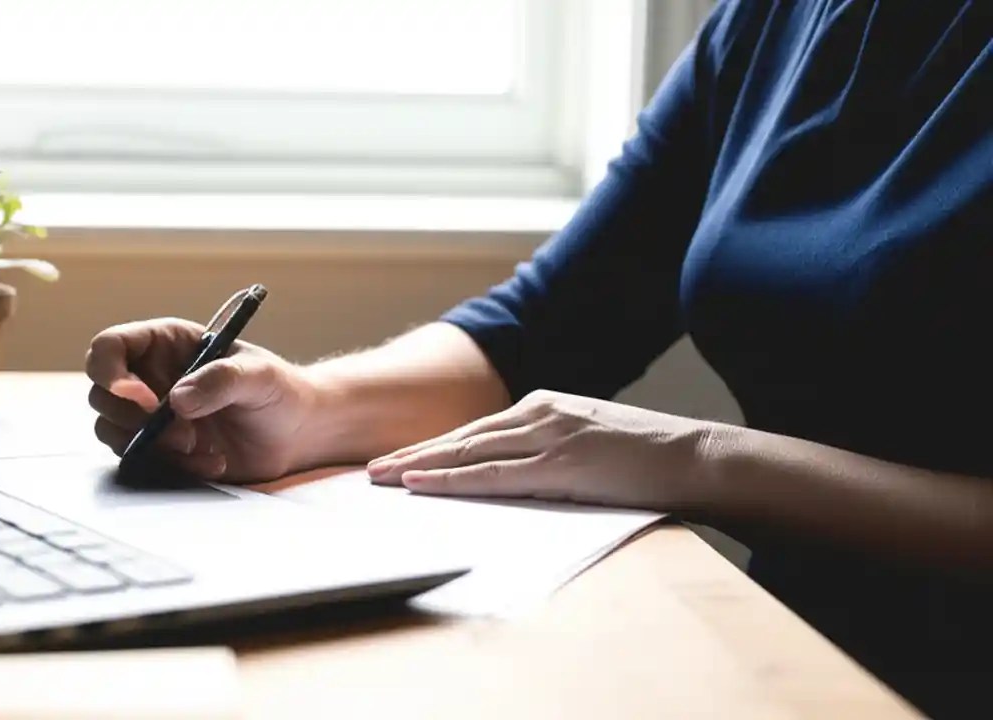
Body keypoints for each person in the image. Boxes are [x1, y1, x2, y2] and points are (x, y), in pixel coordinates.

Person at [86, 1, 991, 716]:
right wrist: (305, 407)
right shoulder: (774, 20)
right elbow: (540, 326)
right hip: (795, 654)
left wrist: (701, 461)